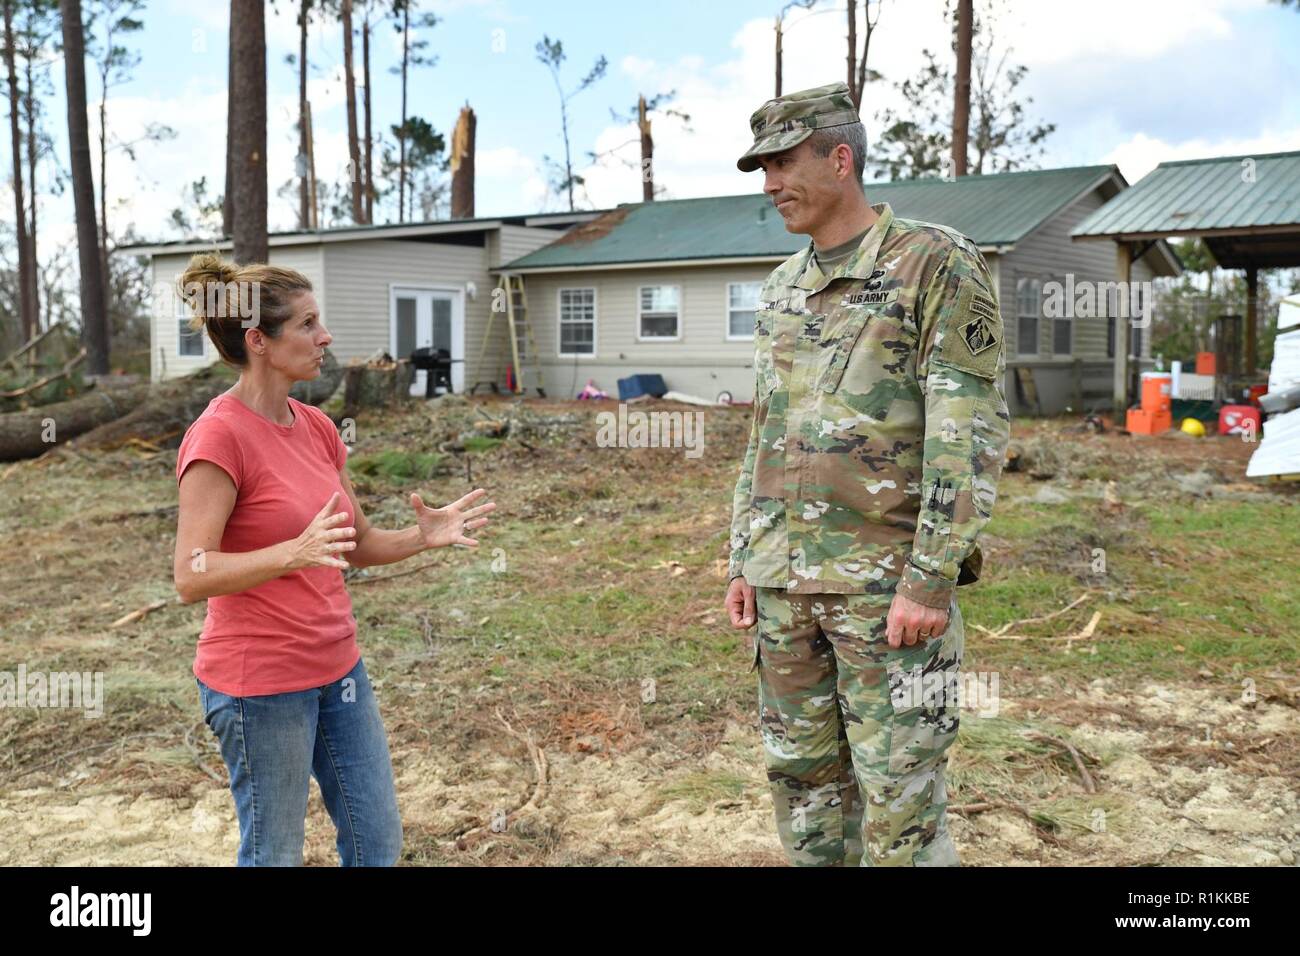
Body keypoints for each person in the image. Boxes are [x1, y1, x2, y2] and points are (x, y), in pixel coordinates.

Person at [724, 81, 1011, 866]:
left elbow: (969, 432)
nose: (770, 184)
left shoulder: (934, 264)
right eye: (763, 168)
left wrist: (930, 576)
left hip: (886, 596)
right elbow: (764, 433)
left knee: (902, 805)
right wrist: (744, 558)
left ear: (840, 159)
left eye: (783, 163)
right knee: (805, 792)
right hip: (784, 593)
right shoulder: (784, 286)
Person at [172, 252, 495, 866]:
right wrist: (291, 552)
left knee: (376, 842)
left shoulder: (318, 427)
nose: (326, 337)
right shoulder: (219, 436)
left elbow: (357, 545)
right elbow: (191, 574)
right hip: (259, 688)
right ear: (258, 341)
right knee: (276, 854)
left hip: (339, 672)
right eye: (308, 324)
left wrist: (422, 537)